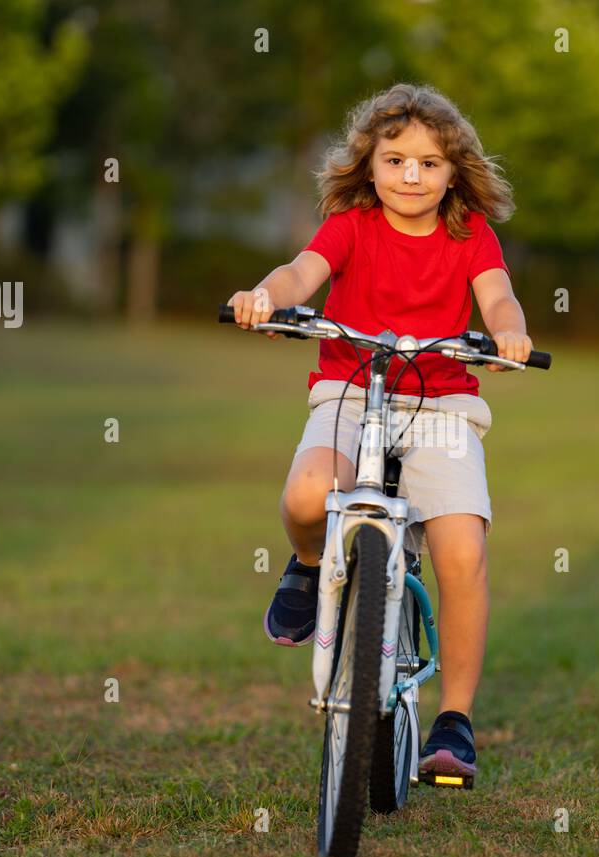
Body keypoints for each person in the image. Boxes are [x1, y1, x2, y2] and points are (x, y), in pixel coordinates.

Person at [225, 83, 533, 785]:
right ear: (369, 165)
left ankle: (454, 719)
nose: (411, 177)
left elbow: (497, 295)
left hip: (442, 404)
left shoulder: (470, 235)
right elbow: (303, 271)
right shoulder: (352, 225)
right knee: (308, 495)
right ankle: (307, 564)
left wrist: (508, 331)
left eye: (429, 163)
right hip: (349, 389)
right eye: (396, 160)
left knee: (462, 549)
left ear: (454, 172)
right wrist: (268, 296)